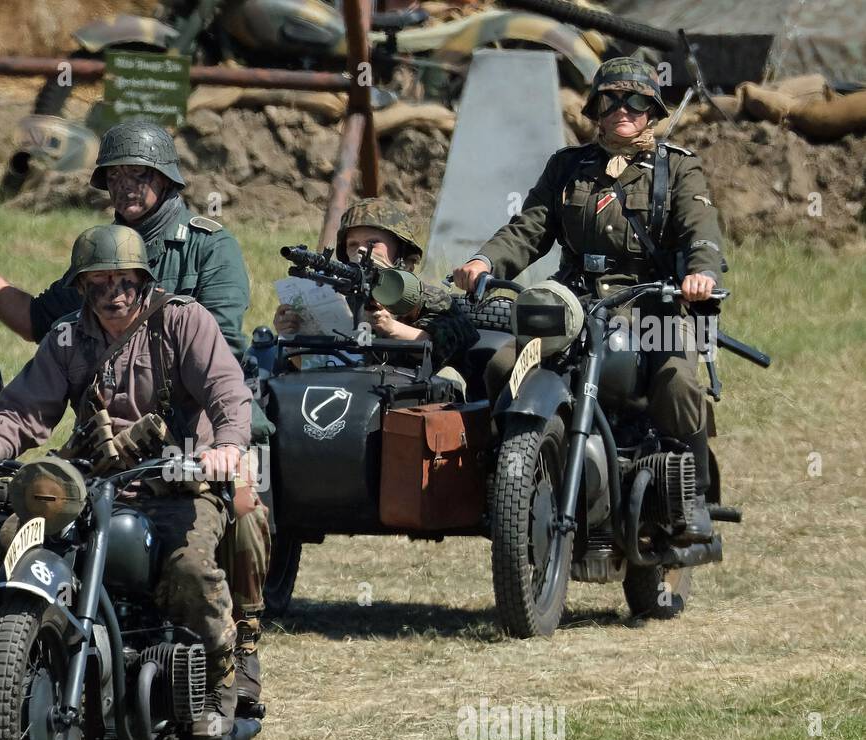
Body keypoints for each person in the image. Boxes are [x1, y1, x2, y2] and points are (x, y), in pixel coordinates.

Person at [0, 117, 270, 713]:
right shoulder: (85, 294)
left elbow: (225, 368)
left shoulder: (202, 258)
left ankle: (237, 653)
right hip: (102, 469)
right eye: (114, 177)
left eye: (138, 175)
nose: (113, 294)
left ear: (165, 179)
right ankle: (5, 666)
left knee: (236, 517)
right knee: (9, 537)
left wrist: (228, 444)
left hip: (194, 445)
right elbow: (34, 364)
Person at [452, 57, 725, 542]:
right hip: (573, 307)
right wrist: (485, 262)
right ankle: (509, 476)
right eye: (611, 99)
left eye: (636, 100)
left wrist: (700, 274)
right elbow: (528, 228)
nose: (624, 108)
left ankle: (694, 494)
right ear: (596, 109)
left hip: (650, 307)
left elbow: (699, 231)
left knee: (678, 381)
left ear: (652, 110)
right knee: (502, 366)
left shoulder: (678, 168)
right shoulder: (567, 167)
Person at [273, 198, 478, 382]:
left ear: (403, 256)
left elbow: (451, 346)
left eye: (373, 243)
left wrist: (391, 328)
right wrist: (291, 336)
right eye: (352, 244)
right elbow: (314, 366)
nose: (361, 250)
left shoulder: (427, 298)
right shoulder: (337, 296)